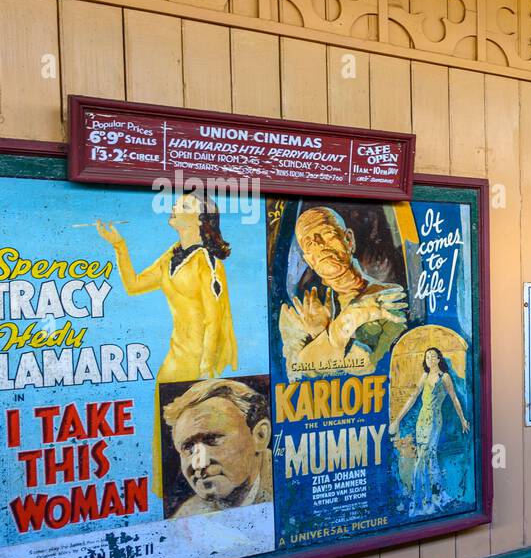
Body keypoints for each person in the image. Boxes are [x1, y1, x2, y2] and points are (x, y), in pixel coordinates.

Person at [96, 190, 237, 381]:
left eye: (184, 206)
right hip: (174, 361)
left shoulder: (207, 261)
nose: (174, 207)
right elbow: (133, 285)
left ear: (200, 221)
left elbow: (214, 320)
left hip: (199, 364)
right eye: (177, 204)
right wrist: (119, 246)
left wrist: (206, 369)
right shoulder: (170, 257)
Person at [278, 206, 407, 381]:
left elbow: (363, 365)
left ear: (349, 240)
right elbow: (295, 374)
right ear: (308, 260)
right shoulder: (297, 310)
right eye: (309, 243)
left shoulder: (387, 297)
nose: (318, 245)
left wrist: (320, 338)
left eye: (326, 234)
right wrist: (344, 324)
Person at [162, 378, 273, 518]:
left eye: (212, 439)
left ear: (260, 436)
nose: (199, 463)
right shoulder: (187, 516)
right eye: (188, 447)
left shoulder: (295, 489)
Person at [391, 347, 469, 511]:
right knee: (428, 456)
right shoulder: (424, 376)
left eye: (433, 356)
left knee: (425, 455)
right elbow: (412, 398)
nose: (430, 359)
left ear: (439, 359)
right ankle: (433, 496)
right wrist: (397, 419)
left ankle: (420, 498)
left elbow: (454, 398)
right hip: (422, 418)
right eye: (427, 357)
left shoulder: (445, 377)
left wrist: (462, 419)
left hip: (434, 419)